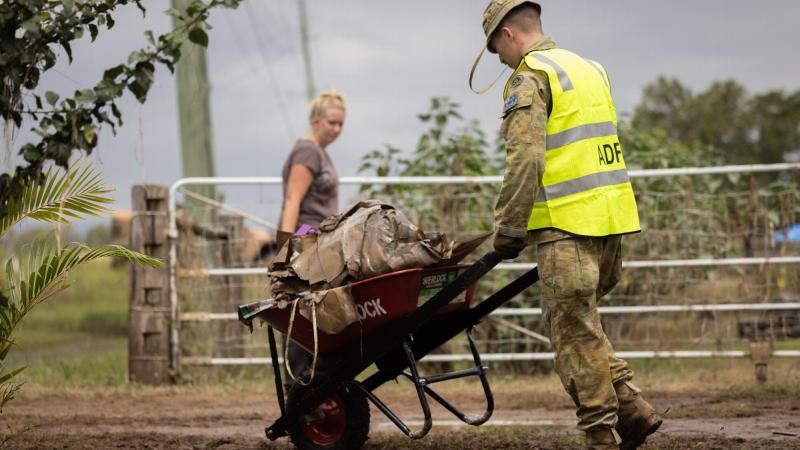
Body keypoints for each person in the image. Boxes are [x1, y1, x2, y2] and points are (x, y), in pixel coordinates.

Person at [473, 2, 662, 449]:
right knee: (580, 324)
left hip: (566, 226)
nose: (500, 59)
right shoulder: (589, 67)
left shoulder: (530, 76)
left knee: (573, 334)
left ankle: (601, 435)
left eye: (495, 47)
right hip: (611, 222)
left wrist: (508, 228)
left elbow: (526, 159)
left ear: (508, 35)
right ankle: (633, 412)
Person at [278, 90, 346, 382]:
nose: (337, 129)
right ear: (315, 120)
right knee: (302, 315)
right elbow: (293, 200)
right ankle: (301, 383)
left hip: (320, 245)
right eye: (331, 122)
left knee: (315, 314)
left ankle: (314, 380)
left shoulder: (319, 153)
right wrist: (286, 250)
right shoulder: (307, 151)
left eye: (341, 124)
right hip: (305, 241)